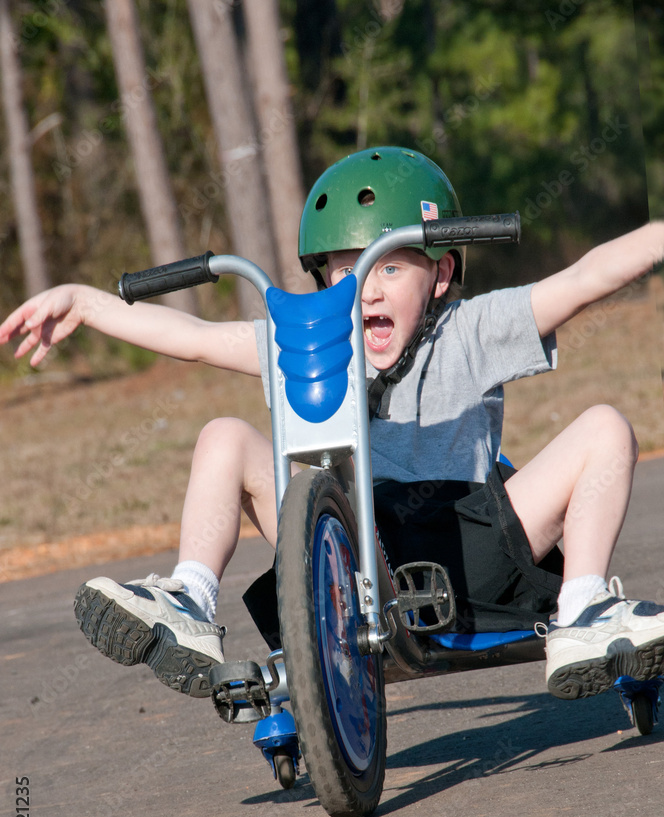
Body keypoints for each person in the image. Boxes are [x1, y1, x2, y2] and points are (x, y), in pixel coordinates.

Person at [1, 146, 663, 704]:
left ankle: (582, 614)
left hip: (474, 549)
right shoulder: (318, 345)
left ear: (441, 274)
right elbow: (196, 337)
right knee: (223, 437)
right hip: (353, 554)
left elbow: (585, 277)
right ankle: (190, 601)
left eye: (390, 265)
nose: (366, 288)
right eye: (346, 270)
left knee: (605, 426)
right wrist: (86, 303)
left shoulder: (473, 329)